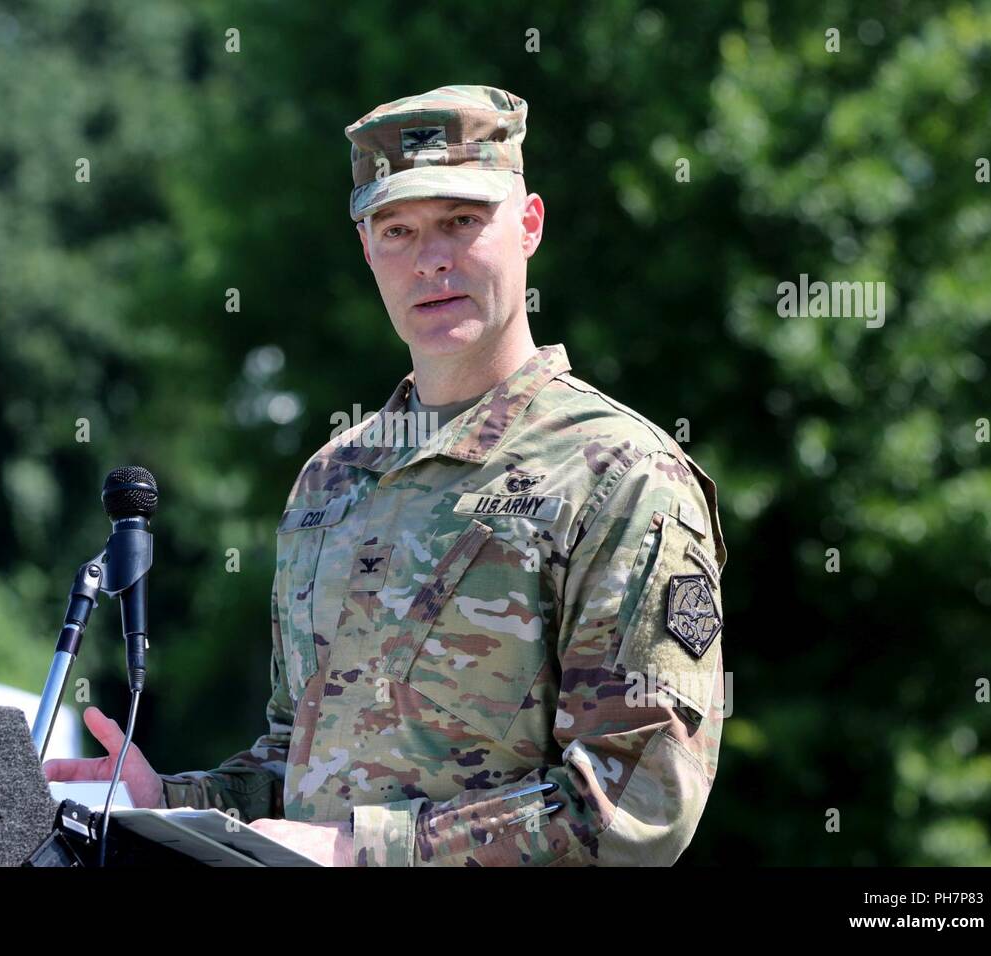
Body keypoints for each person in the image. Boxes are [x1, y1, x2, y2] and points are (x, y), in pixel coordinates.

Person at [44, 85, 728, 867]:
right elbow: (300, 767)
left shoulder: (622, 474)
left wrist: (365, 850)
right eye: (398, 229)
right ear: (367, 248)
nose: (431, 258)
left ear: (529, 224)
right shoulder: (330, 483)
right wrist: (172, 801)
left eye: (462, 222)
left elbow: (637, 803)